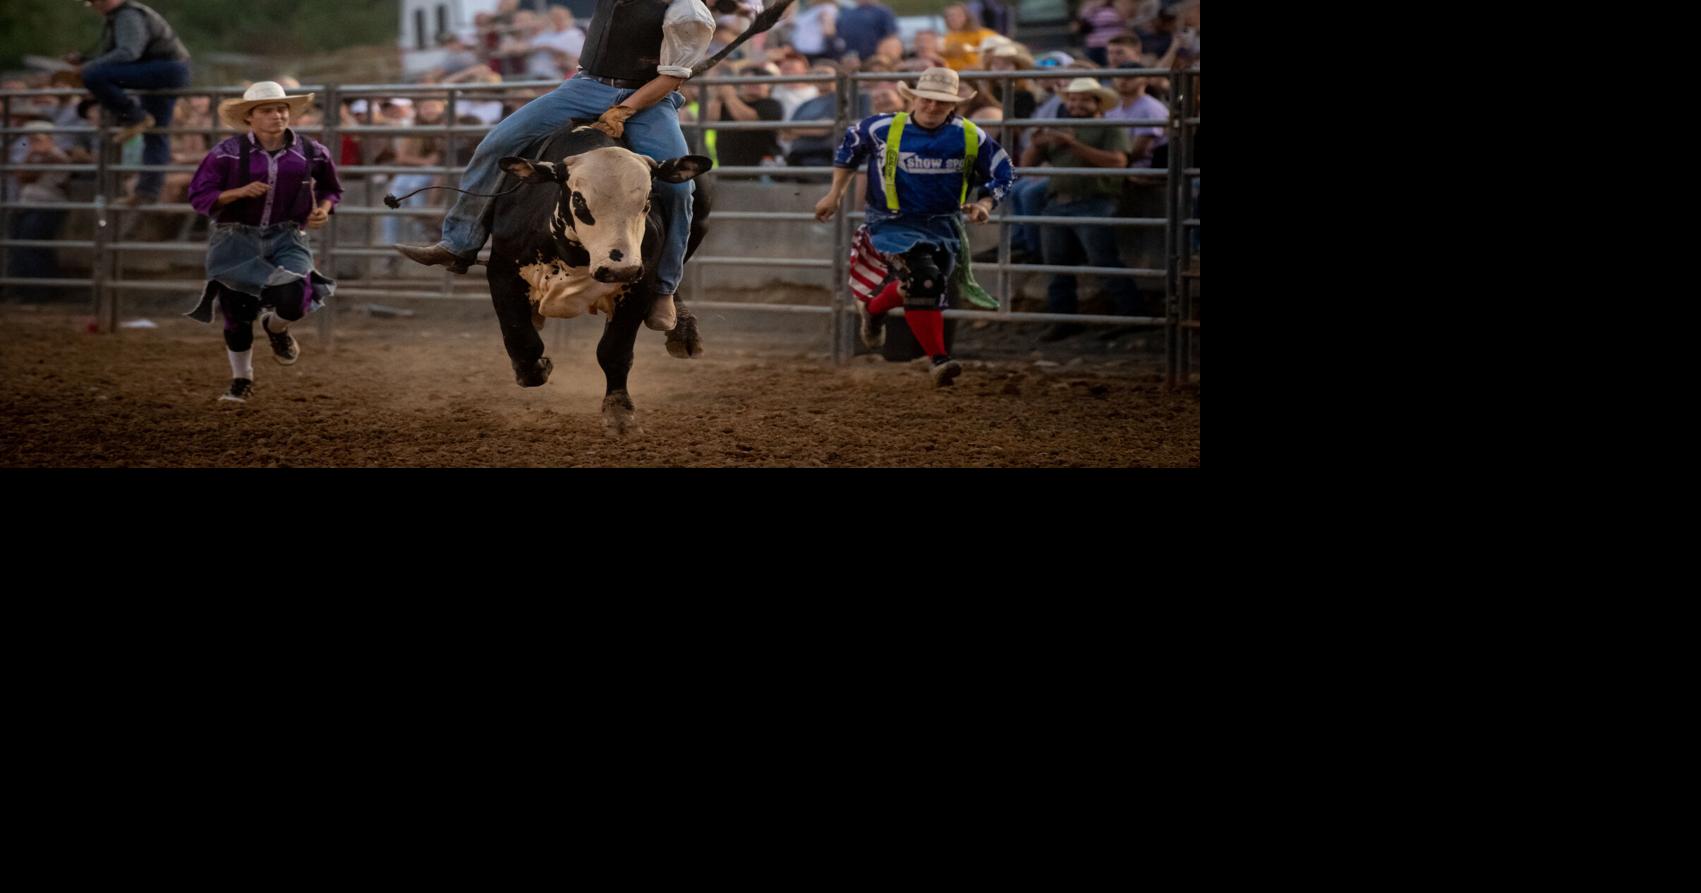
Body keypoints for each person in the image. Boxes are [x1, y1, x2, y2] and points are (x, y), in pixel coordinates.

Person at [395, 0, 751, 340]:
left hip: (649, 99)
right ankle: (459, 242)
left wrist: (623, 111)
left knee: (679, 190)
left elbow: (670, 79)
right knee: (495, 146)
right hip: (585, 86)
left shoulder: (688, 12)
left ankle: (664, 289)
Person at [814, 67, 1015, 387]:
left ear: (954, 106)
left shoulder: (970, 135)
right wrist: (834, 194)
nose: (932, 107)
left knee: (928, 286)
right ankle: (939, 360)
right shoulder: (880, 127)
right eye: (927, 100)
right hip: (893, 222)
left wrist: (985, 204)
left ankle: (874, 309)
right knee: (925, 280)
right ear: (914, 99)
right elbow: (848, 152)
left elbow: (1003, 172)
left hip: (944, 224)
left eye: (941, 102)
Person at [184, 82, 342, 403]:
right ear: (250, 118)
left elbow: (331, 189)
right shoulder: (224, 153)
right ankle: (241, 378)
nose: (277, 115)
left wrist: (323, 211)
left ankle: (276, 327)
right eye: (267, 110)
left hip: (287, 234)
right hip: (234, 236)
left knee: (295, 293)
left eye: (282, 109)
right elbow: (199, 195)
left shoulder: (311, 152)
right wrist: (237, 193)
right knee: (237, 313)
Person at [1020, 78, 1145, 340]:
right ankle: (1064, 319)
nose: (1076, 104)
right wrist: (1037, 144)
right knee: (1057, 265)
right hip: (1059, 202)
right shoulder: (1060, 128)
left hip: (1094, 201)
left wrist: (1073, 144)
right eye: (1073, 100)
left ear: (1097, 103)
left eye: (1084, 99)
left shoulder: (1109, 128)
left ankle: (1133, 313)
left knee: (1102, 261)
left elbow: (1117, 163)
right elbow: (1026, 166)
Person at [70, 0, 191, 206]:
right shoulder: (124, 15)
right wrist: (86, 60)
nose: (94, 6)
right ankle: (147, 192)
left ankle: (134, 116)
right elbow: (120, 53)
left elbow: (128, 52)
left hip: (164, 68)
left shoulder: (127, 15)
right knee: (156, 132)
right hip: (170, 69)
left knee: (93, 76)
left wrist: (89, 66)